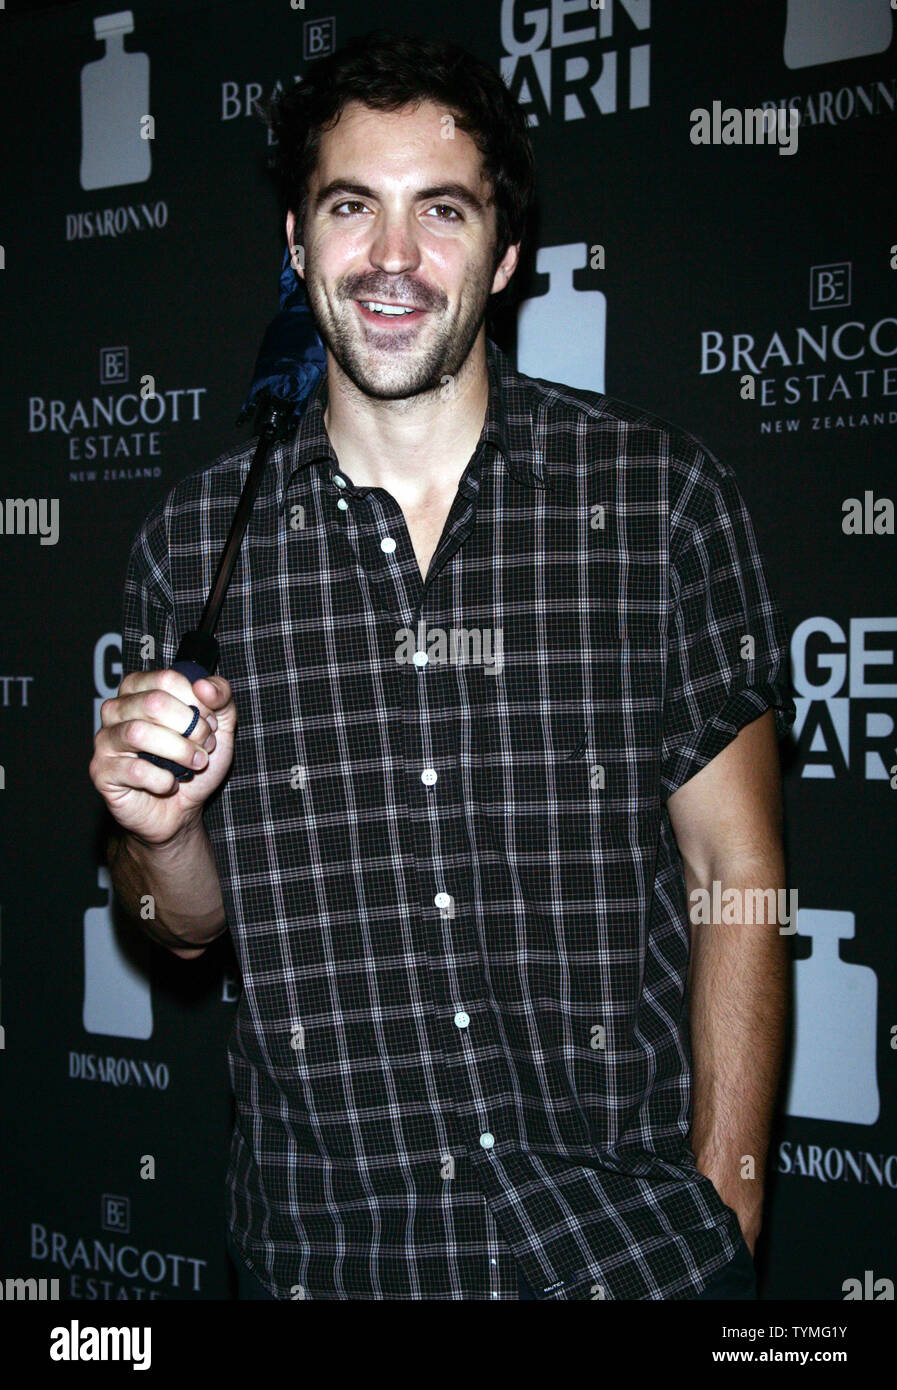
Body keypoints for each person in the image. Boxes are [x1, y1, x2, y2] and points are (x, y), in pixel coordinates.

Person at [90, 30, 795, 1301]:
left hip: (620, 1263)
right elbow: (175, 931)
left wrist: (727, 1210)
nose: (395, 260)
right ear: (297, 246)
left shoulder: (660, 504)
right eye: (352, 208)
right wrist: (157, 837)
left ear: (508, 255)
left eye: (445, 211)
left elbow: (734, 870)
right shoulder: (193, 551)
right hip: (324, 1263)